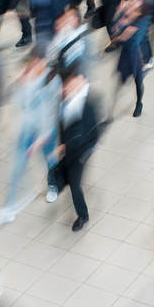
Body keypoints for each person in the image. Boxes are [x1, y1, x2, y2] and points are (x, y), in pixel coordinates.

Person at [0, 54, 61, 224]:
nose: (34, 66)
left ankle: (53, 185)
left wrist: (42, 138)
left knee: (49, 160)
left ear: (45, 62)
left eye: (38, 62)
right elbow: (17, 102)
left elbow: (52, 112)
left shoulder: (52, 81)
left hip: (45, 132)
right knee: (17, 167)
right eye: (32, 62)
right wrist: (19, 84)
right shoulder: (26, 78)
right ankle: (9, 207)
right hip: (27, 130)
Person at [55, 70, 100, 232]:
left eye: (75, 83)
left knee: (75, 184)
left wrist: (65, 145)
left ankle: (83, 216)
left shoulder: (87, 105)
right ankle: (58, 186)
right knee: (59, 172)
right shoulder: (63, 102)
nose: (69, 87)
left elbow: (84, 134)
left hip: (81, 152)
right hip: (67, 149)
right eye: (68, 84)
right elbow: (62, 126)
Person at [111, 0, 152, 117]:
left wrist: (123, 28)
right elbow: (113, 31)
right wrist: (120, 15)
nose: (134, 1)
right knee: (121, 77)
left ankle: (139, 102)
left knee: (138, 80)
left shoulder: (144, 17)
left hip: (139, 54)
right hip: (126, 51)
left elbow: (134, 39)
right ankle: (113, 106)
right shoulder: (126, 12)